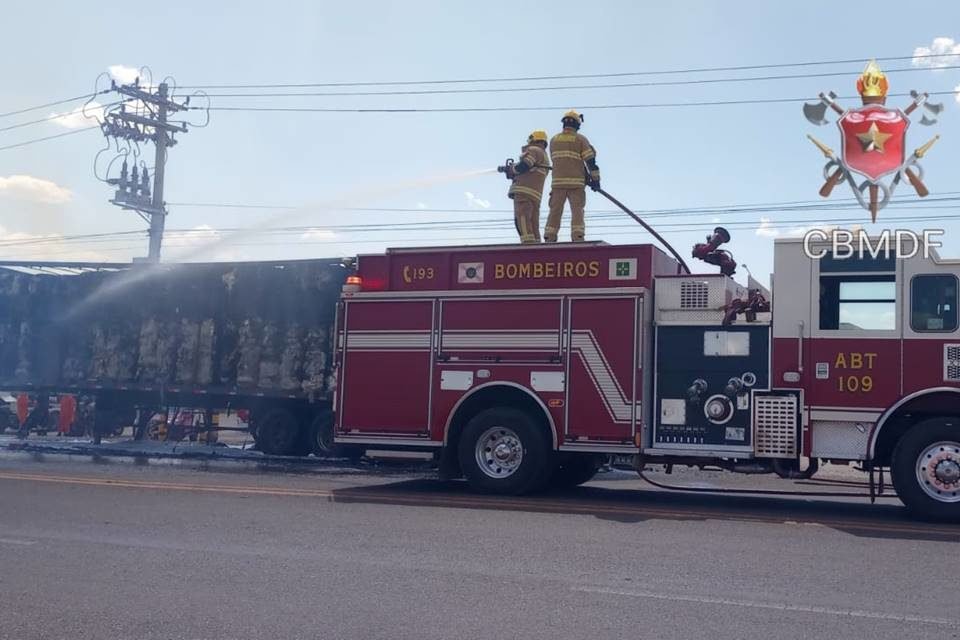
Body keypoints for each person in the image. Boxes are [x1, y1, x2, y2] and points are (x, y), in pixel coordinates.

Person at [544, 110, 601, 243]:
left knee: (555, 211)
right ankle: (578, 237)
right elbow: (590, 162)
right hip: (576, 184)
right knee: (577, 211)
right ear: (577, 124)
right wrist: (595, 181)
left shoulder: (554, 140)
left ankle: (549, 237)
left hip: (557, 183)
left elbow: (562, 160)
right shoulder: (580, 139)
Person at [505, 130, 551, 243]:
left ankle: (527, 245)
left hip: (523, 192)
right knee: (533, 222)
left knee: (522, 218)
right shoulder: (545, 157)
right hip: (535, 195)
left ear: (532, 139)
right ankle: (536, 246)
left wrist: (512, 169)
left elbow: (525, 165)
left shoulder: (533, 150)